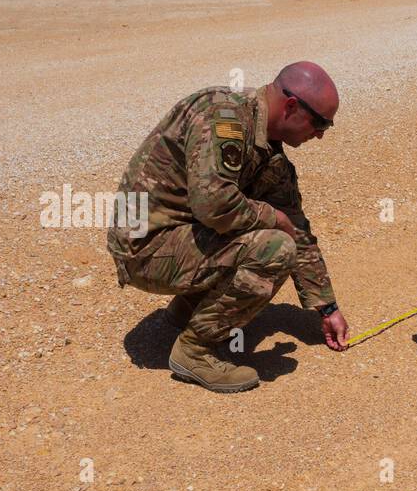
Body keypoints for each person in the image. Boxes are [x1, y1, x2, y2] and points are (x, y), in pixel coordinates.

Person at [107, 62, 348, 392]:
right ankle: (195, 351)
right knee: (275, 248)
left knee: (274, 233)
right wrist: (272, 217)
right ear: (291, 106)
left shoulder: (270, 150)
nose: (320, 134)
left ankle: (187, 310)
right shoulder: (225, 118)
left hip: (176, 236)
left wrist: (327, 307)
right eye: (319, 123)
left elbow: (297, 225)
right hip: (144, 246)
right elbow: (214, 205)